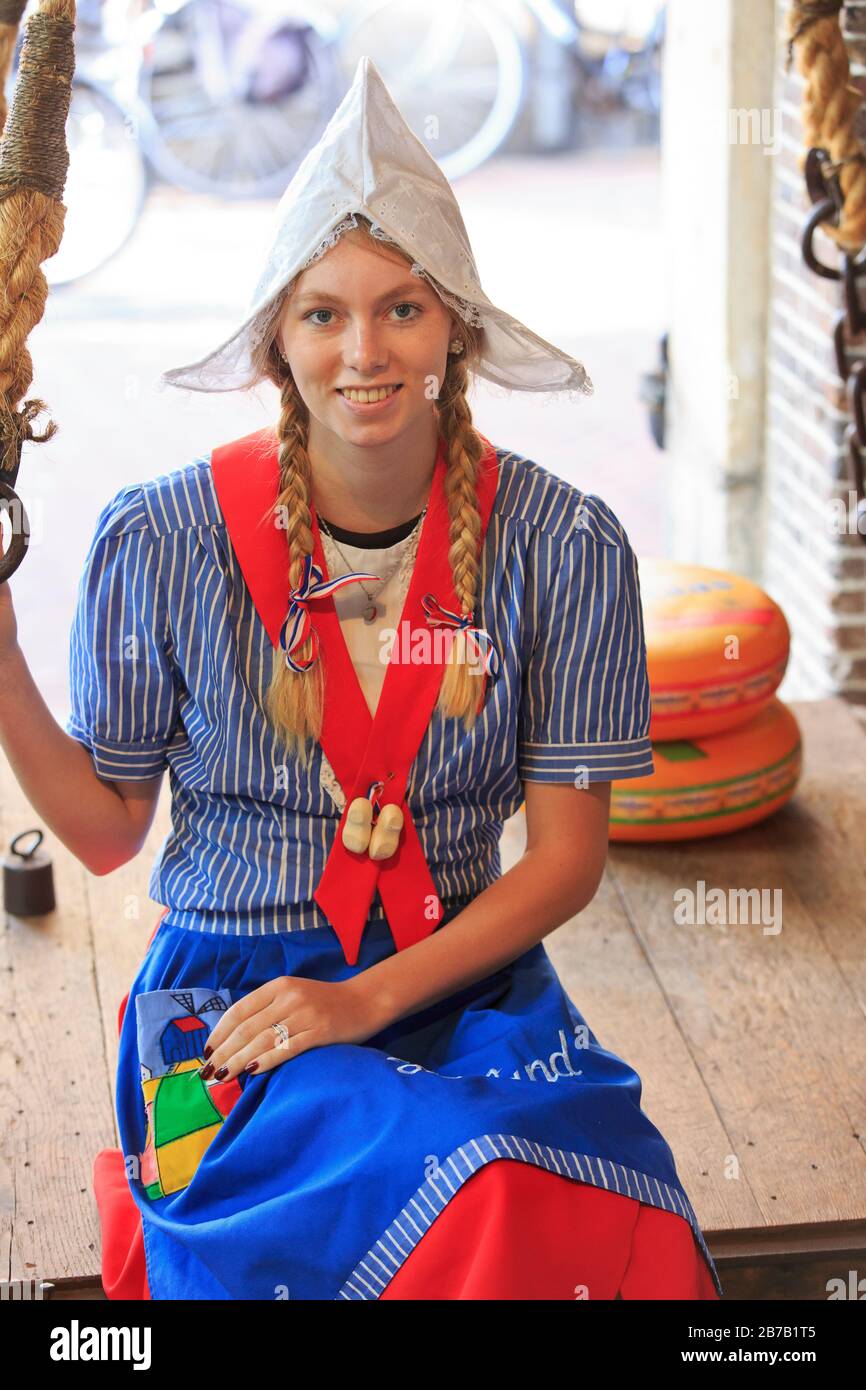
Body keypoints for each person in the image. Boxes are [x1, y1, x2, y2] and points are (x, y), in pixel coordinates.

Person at [0, 57, 722, 1301]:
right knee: (466, 1189)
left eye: (402, 308)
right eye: (322, 313)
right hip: (228, 1003)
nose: (364, 351)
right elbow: (110, 835)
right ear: (278, 345)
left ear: (460, 332)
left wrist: (367, 1000)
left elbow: (561, 859)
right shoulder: (162, 542)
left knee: (588, 1206)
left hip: (463, 988)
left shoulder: (560, 547)